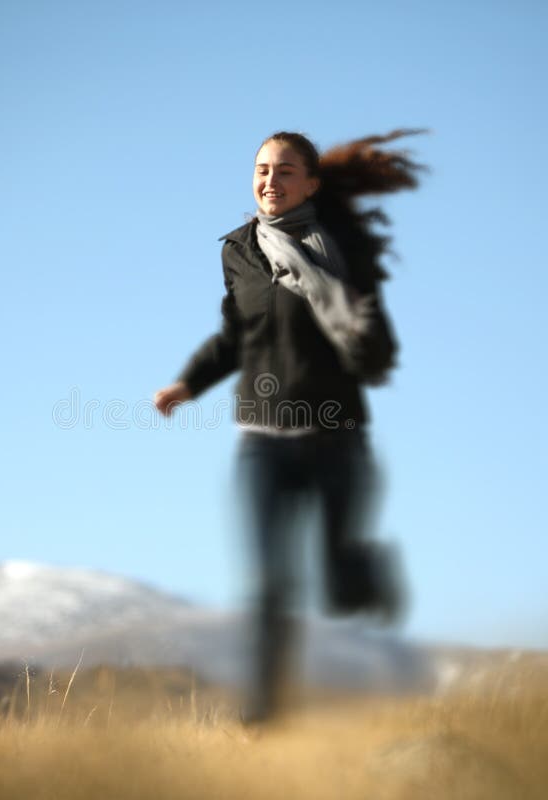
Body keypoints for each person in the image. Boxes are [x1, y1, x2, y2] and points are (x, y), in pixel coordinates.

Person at [154, 129, 425, 723]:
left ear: (311, 183)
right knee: (270, 584)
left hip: (337, 437)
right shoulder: (239, 251)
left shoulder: (341, 247)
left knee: (338, 588)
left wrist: (364, 338)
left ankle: (367, 573)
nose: (269, 181)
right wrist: (188, 383)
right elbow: (235, 338)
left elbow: (374, 336)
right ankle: (262, 718)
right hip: (263, 442)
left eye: (283, 171)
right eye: (261, 170)